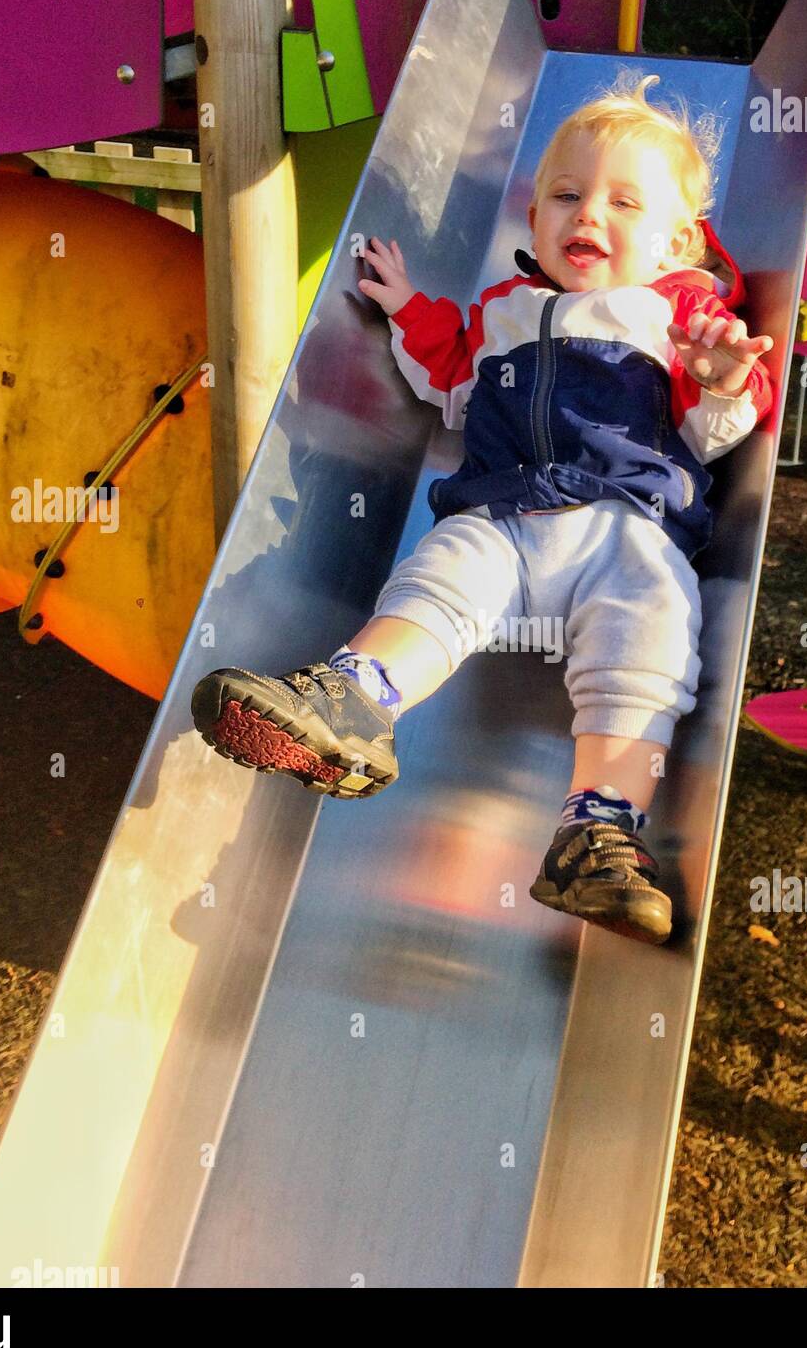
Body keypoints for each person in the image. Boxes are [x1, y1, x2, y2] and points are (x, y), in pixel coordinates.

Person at [191, 74, 774, 945]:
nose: (588, 216)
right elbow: (453, 384)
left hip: (629, 531)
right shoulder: (505, 310)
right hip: (505, 518)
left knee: (651, 640)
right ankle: (354, 703)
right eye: (566, 196)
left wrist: (725, 371)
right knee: (438, 575)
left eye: (623, 202)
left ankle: (599, 831)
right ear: (534, 218)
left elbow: (718, 424)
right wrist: (399, 310)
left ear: (675, 243)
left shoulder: (680, 314)